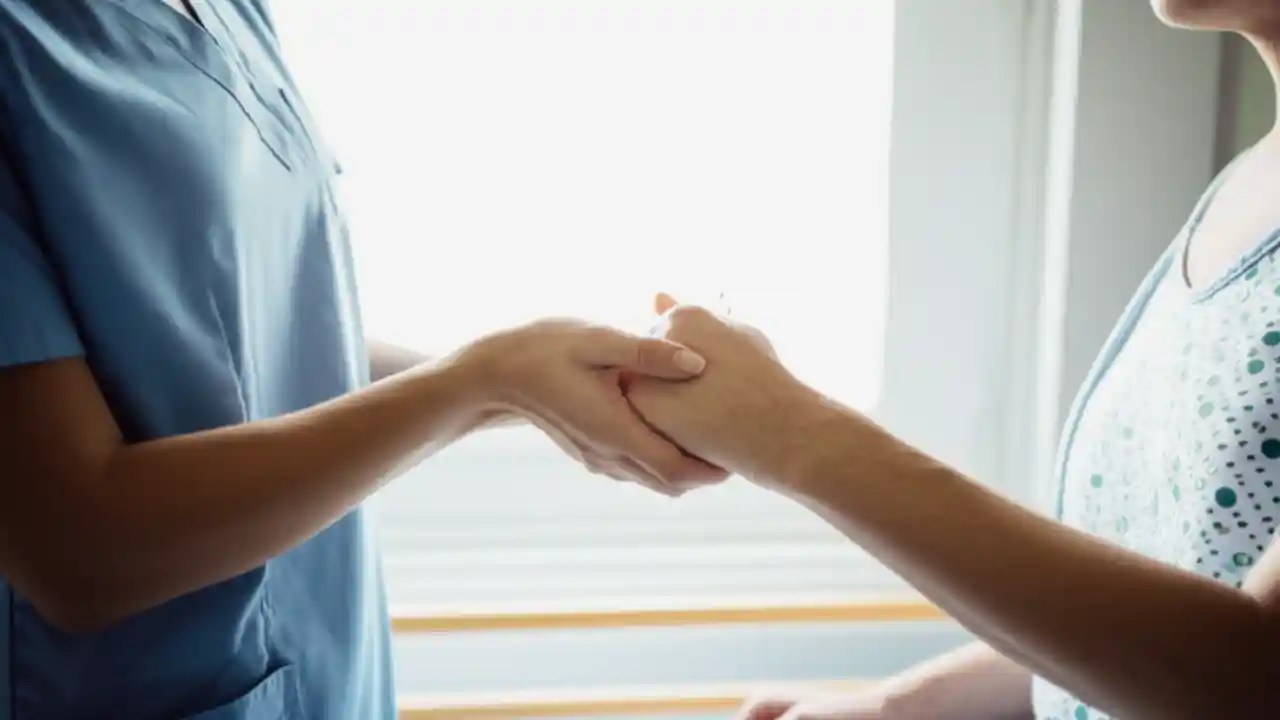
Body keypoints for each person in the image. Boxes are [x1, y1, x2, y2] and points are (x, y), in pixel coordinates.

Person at [0, 1, 725, 718]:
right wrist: (484, 382)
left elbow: (282, 346)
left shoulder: (232, 12)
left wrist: (538, 381)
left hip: (335, 671)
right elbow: (76, 550)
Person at [627, 1, 1280, 715]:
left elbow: (1251, 678)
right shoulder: (1243, 190)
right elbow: (1157, 618)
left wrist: (791, 433)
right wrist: (895, 708)